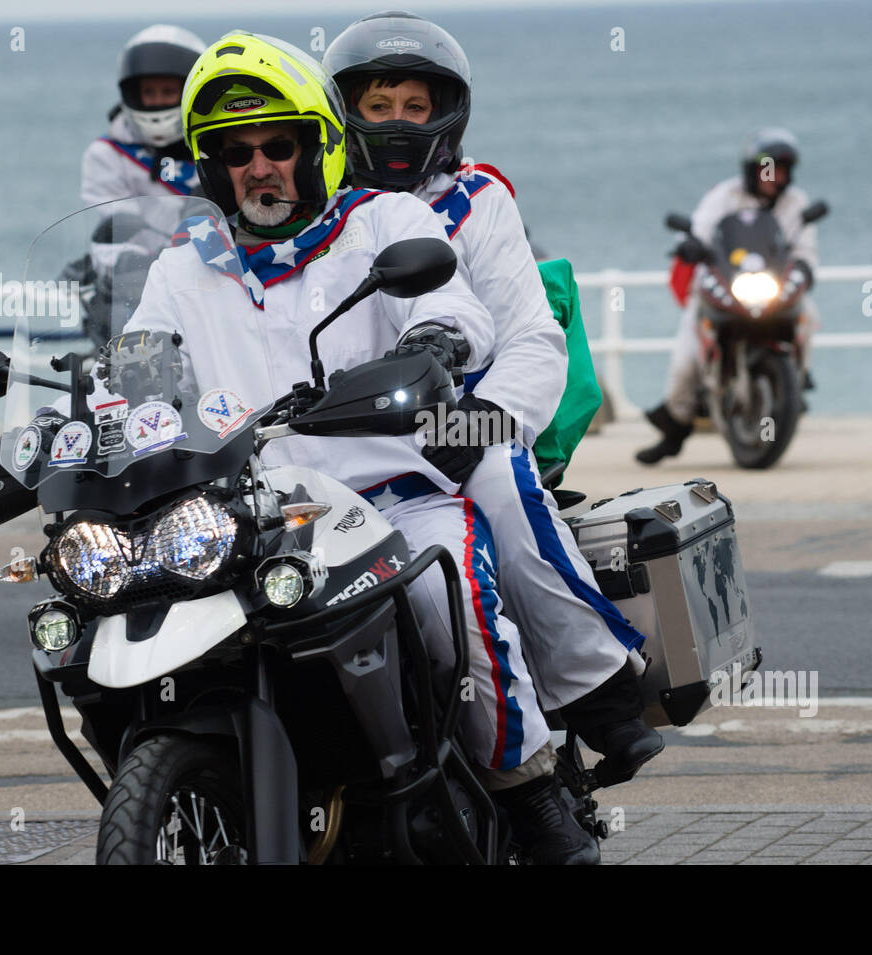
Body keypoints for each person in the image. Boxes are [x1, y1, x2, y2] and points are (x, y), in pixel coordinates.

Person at [123, 31, 598, 863]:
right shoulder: (181, 268)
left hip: (393, 497)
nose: (260, 166)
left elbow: (455, 309)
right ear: (210, 166)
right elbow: (139, 375)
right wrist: (94, 418)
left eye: (280, 145)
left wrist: (437, 347)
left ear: (317, 147)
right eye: (235, 152)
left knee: (452, 610)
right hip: (258, 522)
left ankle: (531, 792)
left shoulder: (384, 220)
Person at [323, 12, 663, 788]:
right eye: (380, 107)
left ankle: (597, 686)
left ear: (447, 113)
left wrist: (485, 419)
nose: (399, 122)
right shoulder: (322, 212)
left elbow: (534, 340)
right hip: (341, 440)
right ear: (347, 112)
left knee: (502, 485)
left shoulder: (478, 201)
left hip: (459, 420)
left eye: (415, 105)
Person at [637, 127, 819, 464]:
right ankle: (675, 429)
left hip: (771, 287)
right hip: (723, 284)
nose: (774, 176)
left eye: (781, 168)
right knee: (685, 359)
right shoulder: (724, 195)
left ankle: (797, 376)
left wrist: (805, 270)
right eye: (768, 167)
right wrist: (690, 245)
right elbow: (701, 230)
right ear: (752, 168)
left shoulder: (797, 203)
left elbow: (806, 251)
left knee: (810, 316)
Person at [80, 25, 208, 206]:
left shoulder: (213, 147)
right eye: (149, 92)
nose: (158, 100)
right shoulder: (108, 153)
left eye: (168, 91)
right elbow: (111, 217)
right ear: (133, 94)